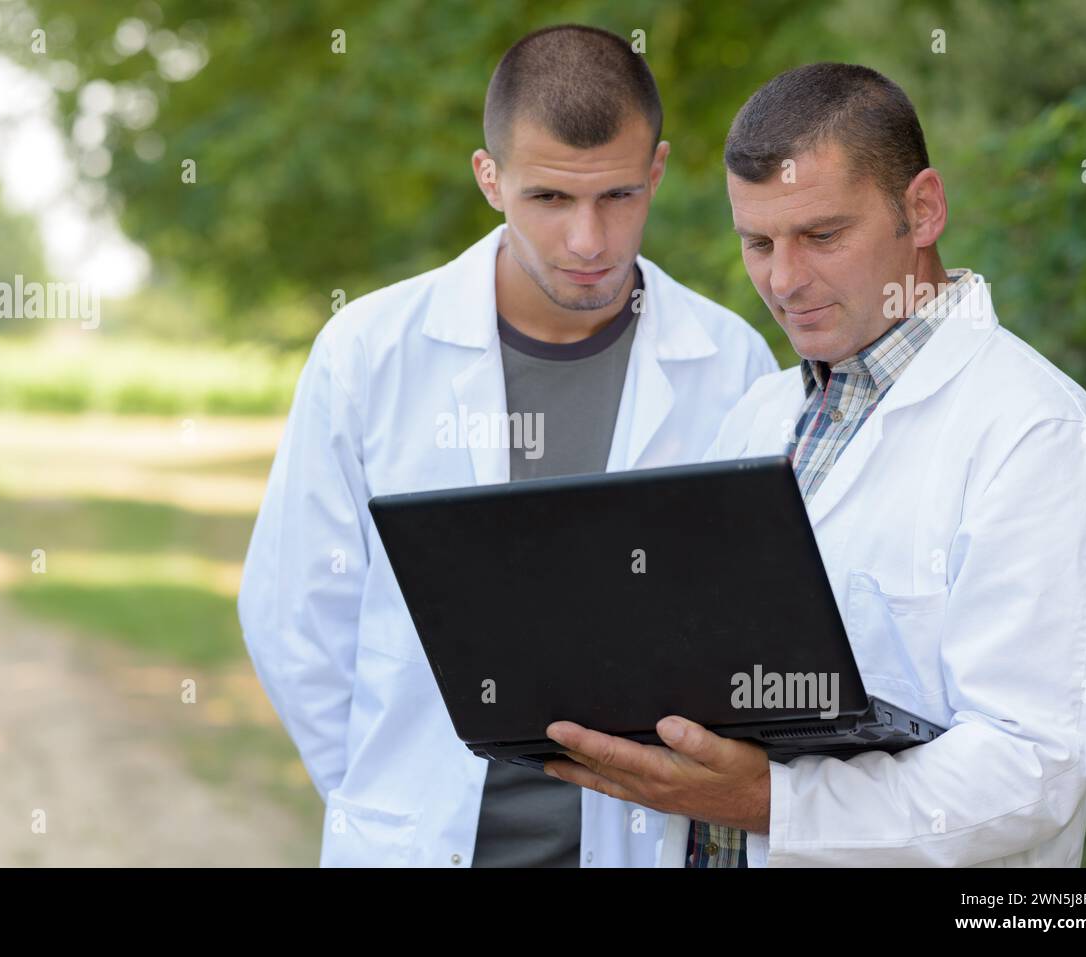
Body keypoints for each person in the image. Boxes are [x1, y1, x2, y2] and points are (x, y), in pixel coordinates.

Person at [542, 62, 1086, 868]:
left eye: (822, 235)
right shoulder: (758, 416)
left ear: (922, 209)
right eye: (758, 243)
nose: (784, 281)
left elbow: (1031, 769)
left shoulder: (1038, 436)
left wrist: (769, 803)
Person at [237, 24, 777, 867]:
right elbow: (293, 614)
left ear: (659, 172)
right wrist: (385, 797)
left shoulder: (731, 360)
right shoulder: (370, 352)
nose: (588, 241)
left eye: (619, 197)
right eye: (550, 199)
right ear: (490, 179)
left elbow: (754, 622)